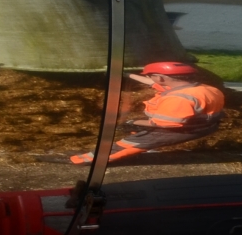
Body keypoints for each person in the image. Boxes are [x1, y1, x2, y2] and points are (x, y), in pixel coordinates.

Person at [69, 61, 225, 164]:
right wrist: (126, 74)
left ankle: (82, 161)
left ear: (161, 78)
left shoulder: (177, 99)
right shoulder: (203, 88)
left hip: (183, 130)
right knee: (137, 128)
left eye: (151, 75)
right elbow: (152, 82)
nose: (150, 78)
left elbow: (166, 125)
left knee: (126, 144)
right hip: (207, 125)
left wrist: (132, 122)